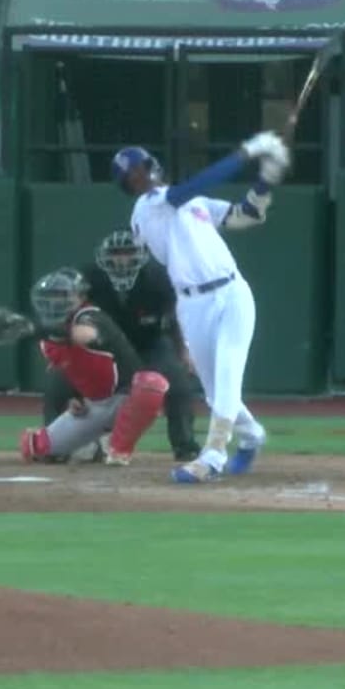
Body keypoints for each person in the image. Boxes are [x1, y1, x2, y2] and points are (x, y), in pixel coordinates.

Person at [116, 134, 289, 483]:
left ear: (152, 166)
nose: (140, 175)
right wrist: (251, 150)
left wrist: (267, 175)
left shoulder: (193, 202)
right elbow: (194, 185)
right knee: (214, 394)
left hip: (232, 292)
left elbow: (248, 215)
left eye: (141, 168)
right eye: (131, 175)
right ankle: (253, 436)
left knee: (227, 377)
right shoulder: (148, 207)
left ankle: (211, 457)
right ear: (128, 185)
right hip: (192, 305)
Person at [40, 231, 202, 463]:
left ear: (141, 255)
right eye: (116, 253)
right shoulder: (89, 279)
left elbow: (175, 318)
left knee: (179, 385)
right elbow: (70, 317)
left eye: (128, 253)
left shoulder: (159, 279)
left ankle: (185, 445)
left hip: (149, 343)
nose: (122, 259)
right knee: (59, 381)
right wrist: (65, 361)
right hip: (102, 349)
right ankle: (52, 445)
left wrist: (183, 351)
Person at [18, 269, 171, 467]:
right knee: (35, 449)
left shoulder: (89, 315)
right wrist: (75, 397)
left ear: (80, 297)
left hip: (125, 397)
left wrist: (36, 330)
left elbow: (86, 335)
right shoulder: (47, 340)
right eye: (52, 296)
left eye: (63, 295)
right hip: (95, 403)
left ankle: (118, 450)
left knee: (151, 384)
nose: (56, 301)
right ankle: (96, 443)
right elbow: (72, 369)